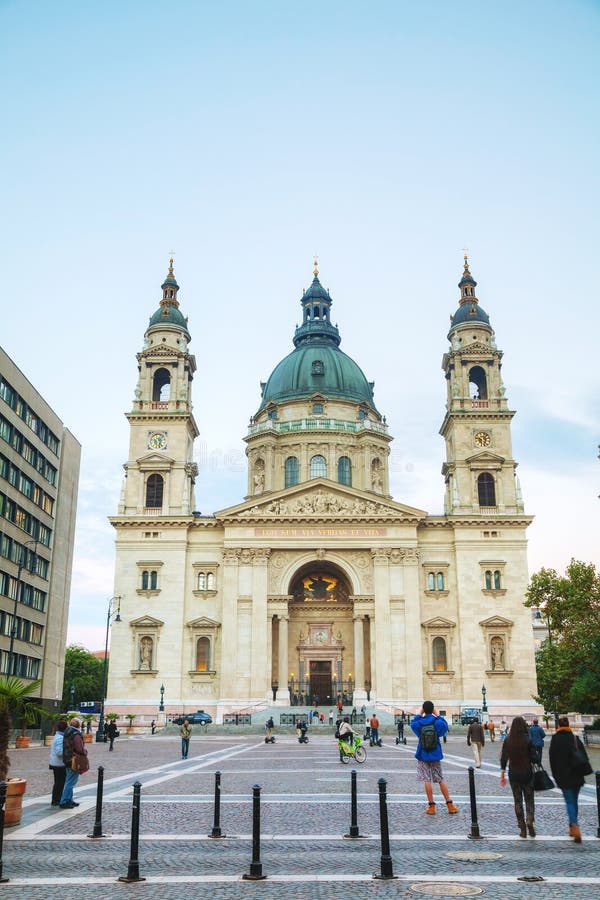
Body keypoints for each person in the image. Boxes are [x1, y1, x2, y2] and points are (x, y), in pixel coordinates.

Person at [410, 700, 458, 815]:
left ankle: (431, 807)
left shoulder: (419, 723)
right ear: (432, 710)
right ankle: (450, 805)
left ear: (423, 710)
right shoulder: (437, 722)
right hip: (435, 754)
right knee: (440, 779)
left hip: (423, 754)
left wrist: (419, 714)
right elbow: (445, 726)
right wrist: (437, 714)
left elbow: (413, 724)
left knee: (427, 780)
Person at [549, 715, 591, 844]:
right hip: (577, 776)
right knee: (574, 801)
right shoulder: (575, 738)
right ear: (568, 725)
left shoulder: (555, 739)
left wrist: (555, 775)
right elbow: (584, 756)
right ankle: (572, 827)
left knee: (569, 802)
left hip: (563, 777)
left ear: (559, 726)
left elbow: (552, 759)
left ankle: (575, 826)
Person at [500, 715, 537, 838]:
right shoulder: (528, 740)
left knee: (517, 801)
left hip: (514, 774)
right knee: (529, 799)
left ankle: (522, 828)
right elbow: (535, 758)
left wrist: (502, 774)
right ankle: (530, 820)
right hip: (527, 773)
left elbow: (504, 758)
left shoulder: (508, 740)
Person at [60, 718, 88, 809]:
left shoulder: (67, 732)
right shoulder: (76, 734)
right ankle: (64, 801)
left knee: (70, 780)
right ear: (78, 725)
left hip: (67, 759)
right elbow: (79, 748)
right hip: (74, 760)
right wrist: (85, 751)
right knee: (70, 782)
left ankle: (69, 800)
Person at [49, 719, 68, 806]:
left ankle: (56, 799)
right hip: (59, 764)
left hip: (55, 763)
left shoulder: (57, 736)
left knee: (58, 782)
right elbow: (59, 752)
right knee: (60, 783)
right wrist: (67, 751)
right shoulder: (60, 738)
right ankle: (56, 800)